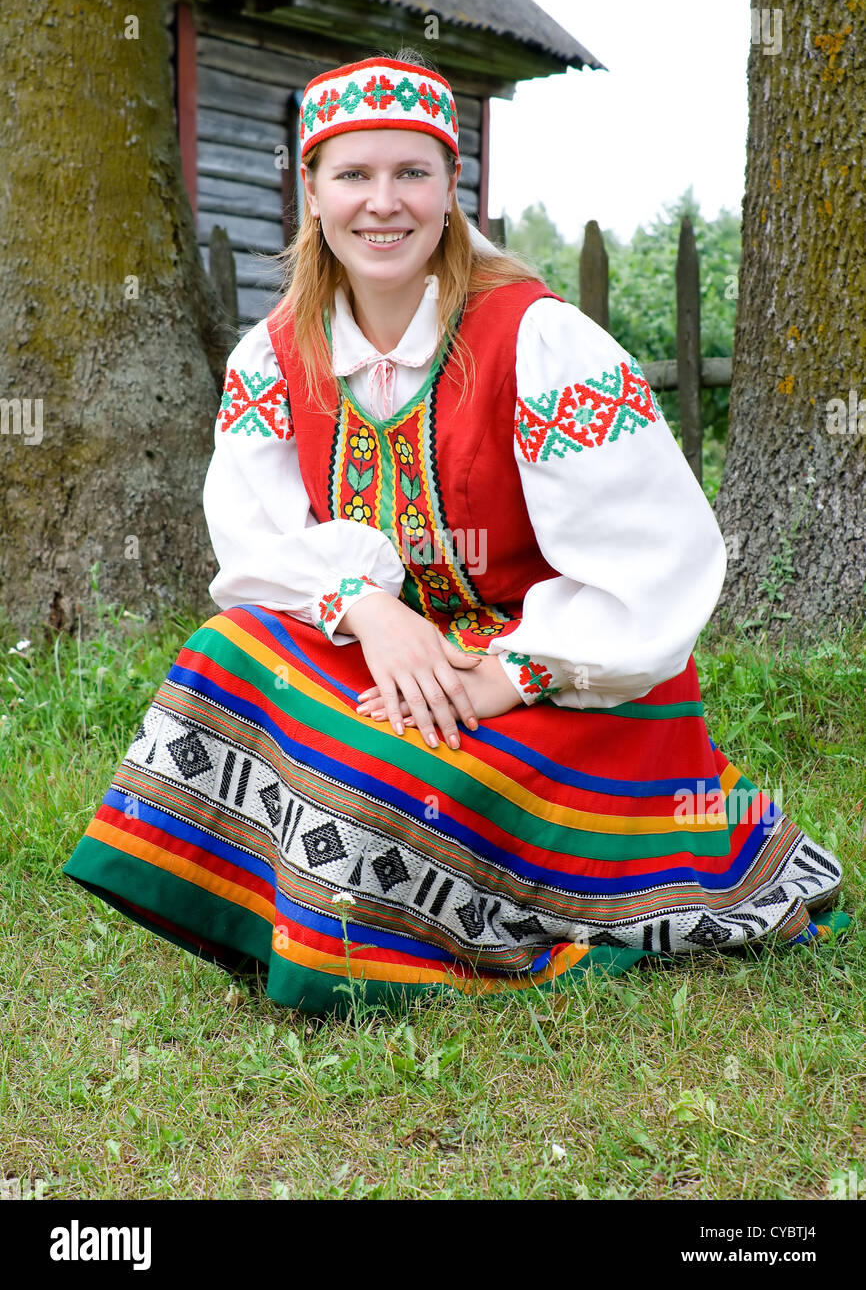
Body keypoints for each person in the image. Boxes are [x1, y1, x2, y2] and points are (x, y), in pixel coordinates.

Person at [62, 50, 847, 1015]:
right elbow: (256, 548)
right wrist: (369, 612)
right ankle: (314, 892)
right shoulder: (272, 357)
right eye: (353, 174)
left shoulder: (539, 340)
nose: (381, 203)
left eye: (411, 173)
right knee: (222, 654)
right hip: (392, 651)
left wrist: (501, 675)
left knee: (371, 780)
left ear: (451, 188)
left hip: (564, 680)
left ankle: (437, 900)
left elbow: (655, 565)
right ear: (311, 191)